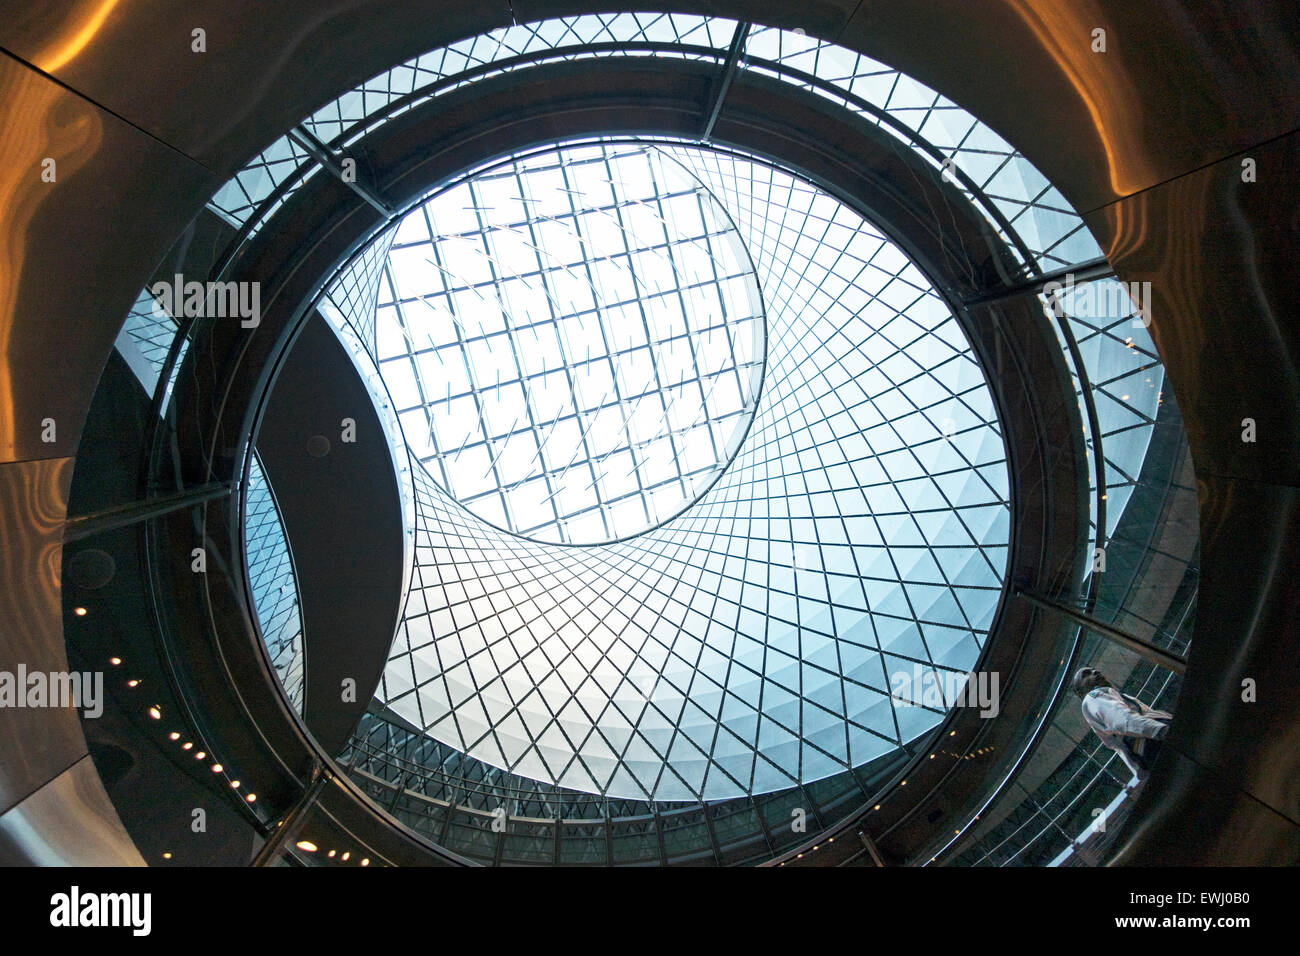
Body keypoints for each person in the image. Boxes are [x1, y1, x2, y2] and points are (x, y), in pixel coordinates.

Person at [1071, 667, 1171, 782]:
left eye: (1094, 670)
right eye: (1086, 674)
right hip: (1153, 741)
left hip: (1150, 749)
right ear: (1080, 693)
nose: (1095, 672)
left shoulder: (1109, 697)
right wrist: (1162, 730)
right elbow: (1124, 720)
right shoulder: (1092, 698)